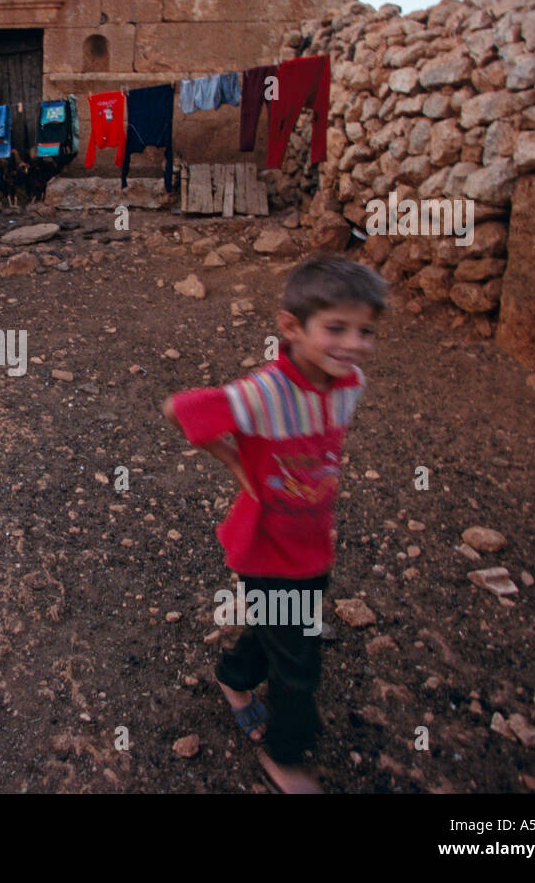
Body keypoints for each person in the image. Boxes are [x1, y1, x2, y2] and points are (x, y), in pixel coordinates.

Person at [161, 255, 386, 793]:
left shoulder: (349, 383)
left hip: (311, 545)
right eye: (336, 328)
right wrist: (238, 465)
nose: (353, 343)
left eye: (365, 331)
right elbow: (180, 408)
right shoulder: (264, 393)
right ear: (290, 326)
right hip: (269, 554)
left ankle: (235, 678)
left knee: (283, 630)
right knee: (299, 666)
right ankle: (285, 759)